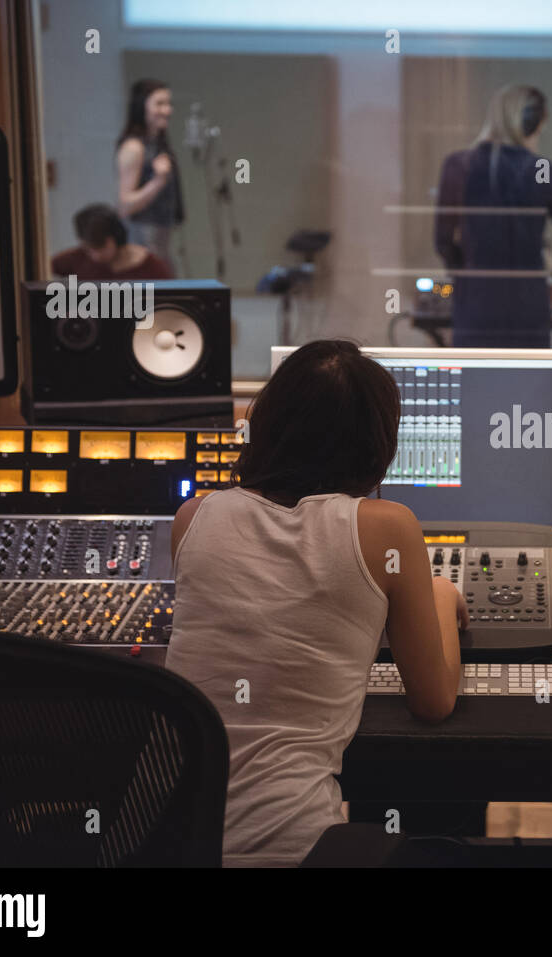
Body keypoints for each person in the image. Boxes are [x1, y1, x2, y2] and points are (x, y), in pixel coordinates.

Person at [164, 340, 468, 867]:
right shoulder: (387, 528)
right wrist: (440, 596)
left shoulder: (195, 517)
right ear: (378, 446)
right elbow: (433, 700)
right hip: (292, 850)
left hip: (166, 839)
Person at [435, 84, 552, 348]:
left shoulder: (458, 165)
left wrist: (466, 276)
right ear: (539, 123)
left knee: (475, 386)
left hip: (476, 304)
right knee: (527, 386)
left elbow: (443, 241)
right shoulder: (542, 170)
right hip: (528, 306)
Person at [115, 78, 183, 272]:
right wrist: (158, 181)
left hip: (160, 242)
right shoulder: (134, 148)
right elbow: (125, 206)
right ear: (141, 106)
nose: (167, 110)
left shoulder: (158, 145)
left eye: (168, 104)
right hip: (140, 246)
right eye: (159, 104)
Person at [49, 203, 174, 280]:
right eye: (88, 249)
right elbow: (46, 266)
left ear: (116, 237)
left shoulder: (153, 267)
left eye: (100, 246)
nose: (95, 256)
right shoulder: (78, 258)